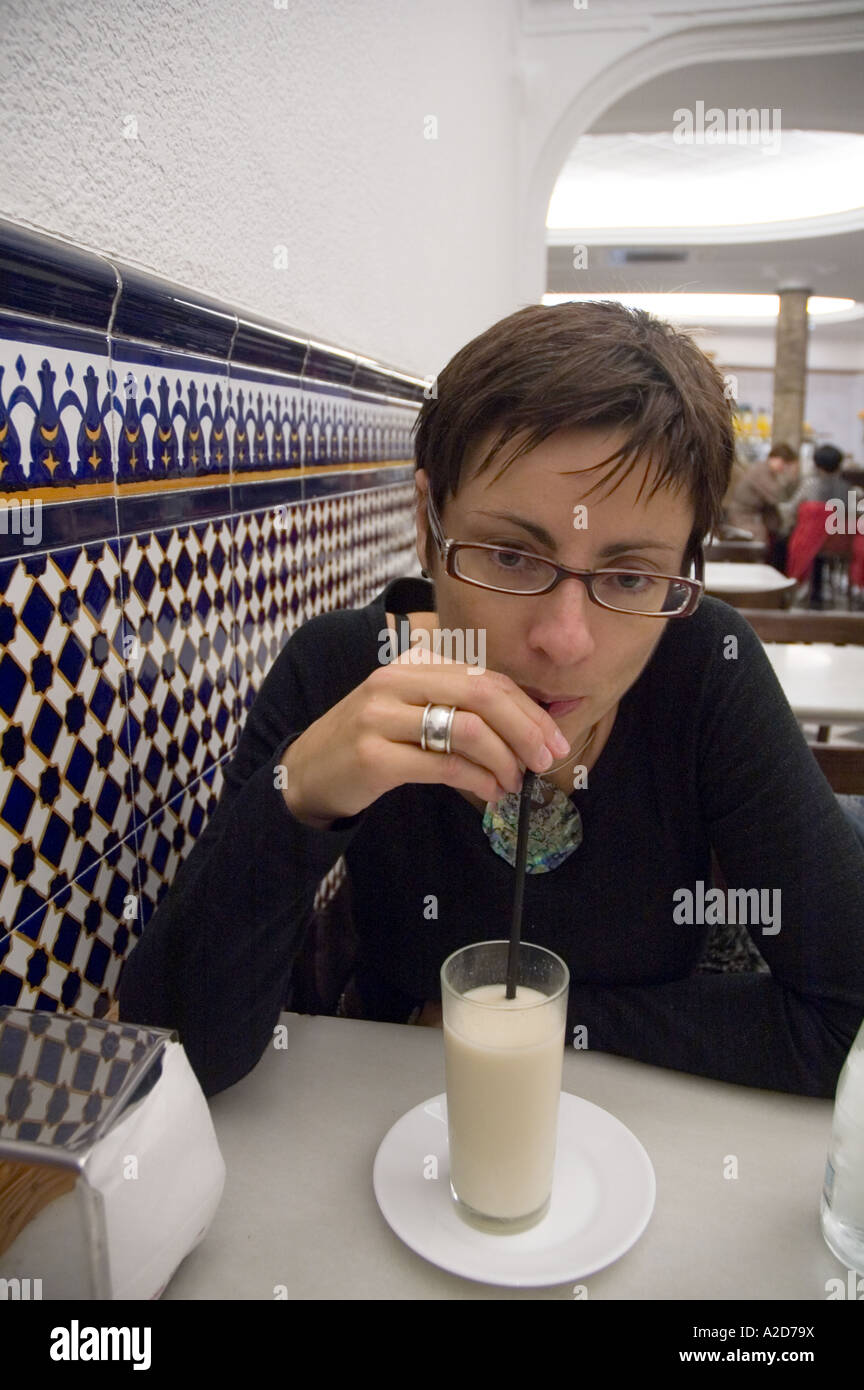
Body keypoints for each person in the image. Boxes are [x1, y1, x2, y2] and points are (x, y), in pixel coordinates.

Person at [116, 301, 864, 1102]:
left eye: (629, 576)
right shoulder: (341, 671)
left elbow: (848, 1017)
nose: (565, 641)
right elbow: (181, 1052)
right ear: (427, 526)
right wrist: (297, 799)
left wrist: (522, 1021)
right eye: (510, 555)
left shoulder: (703, 666)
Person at [778, 443, 855, 605]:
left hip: (810, 543)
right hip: (839, 544)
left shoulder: (810, 486)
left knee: (783, 540)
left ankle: (788, 590)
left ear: (817, 464)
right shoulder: (849, 489)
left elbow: (792, 509)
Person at [722, 442, 799, 553]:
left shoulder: (767, 471)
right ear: (775, 458)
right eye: (784, 463)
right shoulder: (761, 471)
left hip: (750, 517)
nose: (784, 467)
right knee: (762, 540)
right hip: (743, 518)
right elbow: (776, 496)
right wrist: (790, 475)